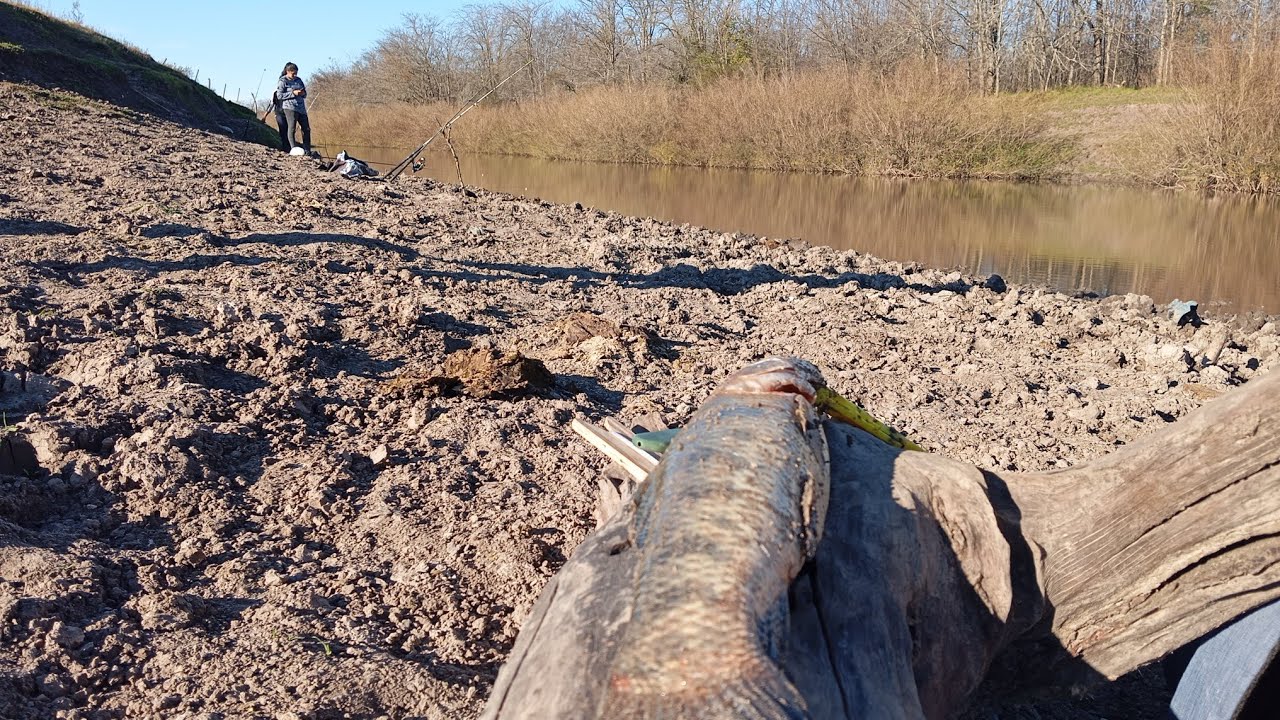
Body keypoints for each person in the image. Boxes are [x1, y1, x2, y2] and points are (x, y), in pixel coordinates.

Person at [275, 62, 310, 154]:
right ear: (288, 71)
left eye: (296, 73)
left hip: (301, 108)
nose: (295, 75)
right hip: (289, 107)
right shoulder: (283, 81)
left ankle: (307, 149)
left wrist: (302, 93)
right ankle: (293, 148)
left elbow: (305, 94)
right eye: (293, 73)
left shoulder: (299, 80)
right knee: (292, 128)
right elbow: (279, 96)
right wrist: (293, 93)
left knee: (306, 129)